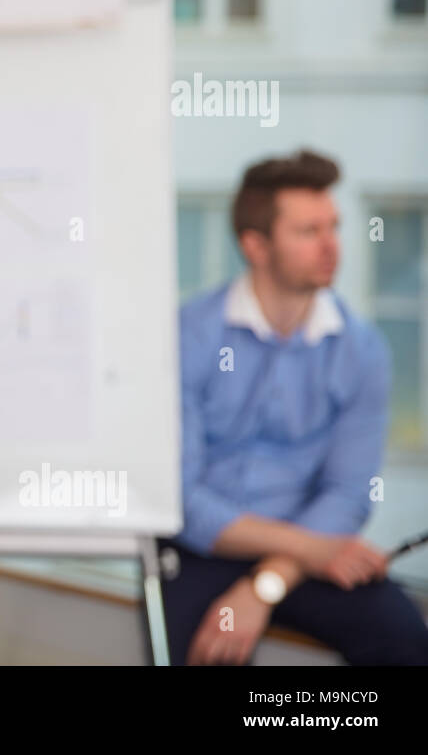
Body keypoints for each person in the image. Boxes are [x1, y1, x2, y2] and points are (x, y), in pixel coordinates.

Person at [159, 148, 428, 665]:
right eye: (309, 232)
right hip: (207, 549)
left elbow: (348, 492)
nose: (332, 247)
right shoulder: (188, 335)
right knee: (201, 653)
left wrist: (268, 582)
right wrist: (309, 551)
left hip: (307, 551)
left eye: (334, 227)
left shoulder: (362, 349)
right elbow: (181, 498)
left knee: (403, 639)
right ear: (255, 245)